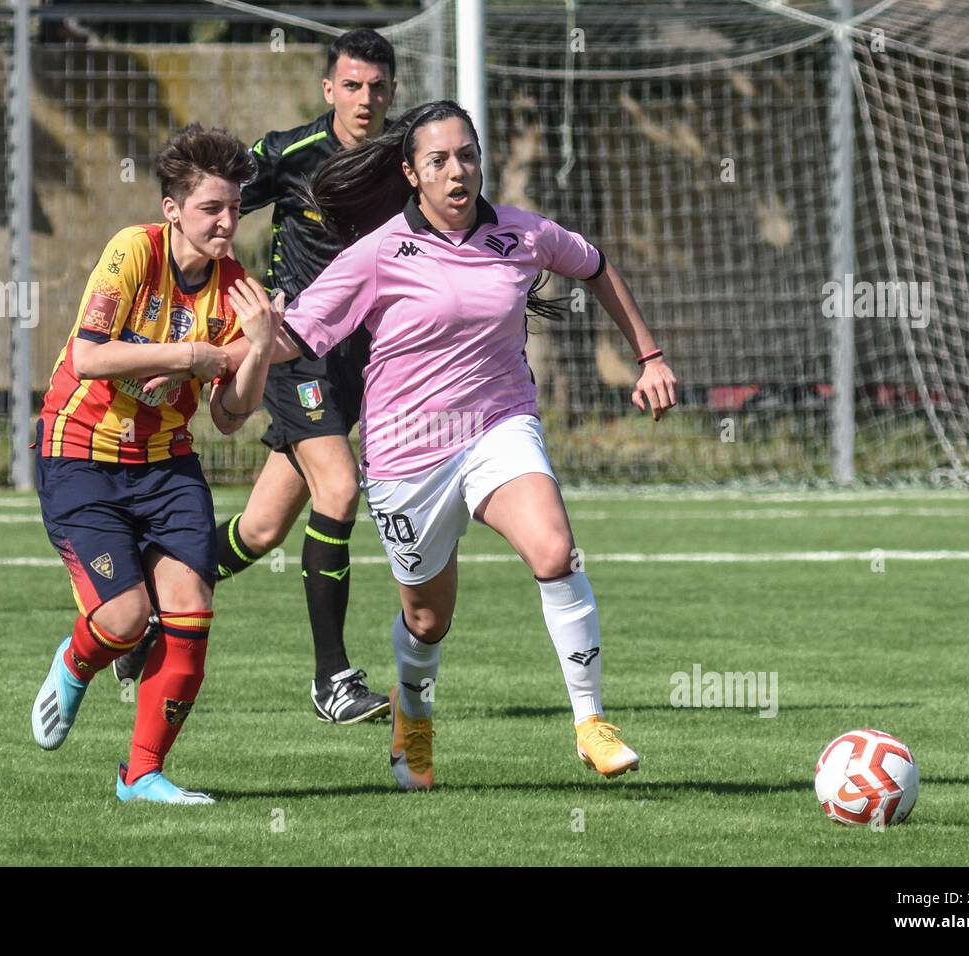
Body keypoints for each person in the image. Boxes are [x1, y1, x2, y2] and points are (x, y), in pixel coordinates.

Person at [248, 100, 679, 790]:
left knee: (553, 550)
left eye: (468, 156)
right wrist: (226, 349)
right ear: (411, 173)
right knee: (426, 618)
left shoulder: (521, 233)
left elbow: (594, 266)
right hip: (405, 455)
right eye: (440, 160)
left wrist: (650, 356)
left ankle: (592, 722)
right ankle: (413, 720)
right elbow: (298, 335)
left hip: (498, 427)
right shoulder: (380, 251)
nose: (458, 172)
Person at [113, 29, 398, 726]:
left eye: (378, 87)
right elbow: (208, 204)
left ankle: (148, 605)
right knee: (340, 485)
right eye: (351, 85)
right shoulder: (293, 155)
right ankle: (332, 680)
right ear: (329, 89)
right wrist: (190, 317)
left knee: (264, 527)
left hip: (357, 365)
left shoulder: (403, 164)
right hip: (291, 353)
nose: (365, 99)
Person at [31, 123, 282, 805]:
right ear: (173, 209)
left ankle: (141, 775)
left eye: (234, 207)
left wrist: (256, 349)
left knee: (192, 610)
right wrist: (186, 357)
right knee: (123, 621)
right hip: (80, 453)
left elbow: (230, 416)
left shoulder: (235, 289)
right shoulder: (132, 252)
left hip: (167, 463)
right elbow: (89, 357)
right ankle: (78, 659)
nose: (227, 221)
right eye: (211, 209)